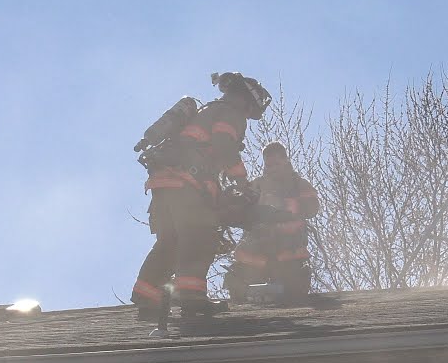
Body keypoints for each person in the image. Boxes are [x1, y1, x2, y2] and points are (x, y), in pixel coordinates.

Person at [131, 72, 272, 320]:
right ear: (246, 98)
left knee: (169, 243)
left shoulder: (205, 112)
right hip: (186, 184)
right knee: (199, 237)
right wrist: (243, 182)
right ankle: (191, 297)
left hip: (162, 184)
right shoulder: (231, 113)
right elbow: (223, 145)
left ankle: (147, 297)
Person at [225, 141, 319, 303]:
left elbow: (312, 208)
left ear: (285, 160)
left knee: (294, 295)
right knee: (238, 284)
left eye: (276, 163)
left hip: (289, 254)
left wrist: (283, 208)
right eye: (268, 164)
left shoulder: (300, 185)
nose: (272, 168)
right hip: (256, 253)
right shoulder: (257, 185)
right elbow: (242, 209)